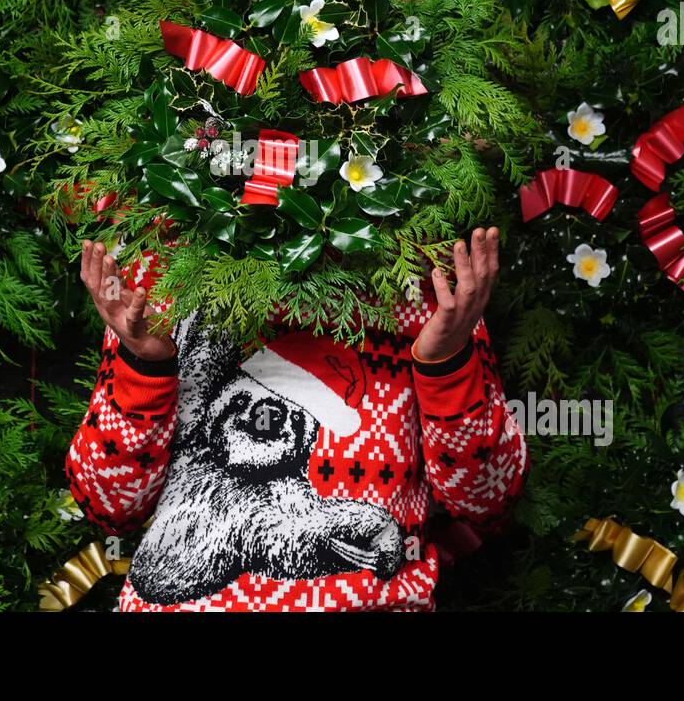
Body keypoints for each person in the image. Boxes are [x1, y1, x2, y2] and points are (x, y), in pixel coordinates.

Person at [65, 227, 527, 610]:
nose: (264, 421)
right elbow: (107, 505)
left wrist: (446, 364)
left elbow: (488, 501)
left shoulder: (422, 281)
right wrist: (144, 365)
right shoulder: (177, 275)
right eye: (255, 405)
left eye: (283, 419)